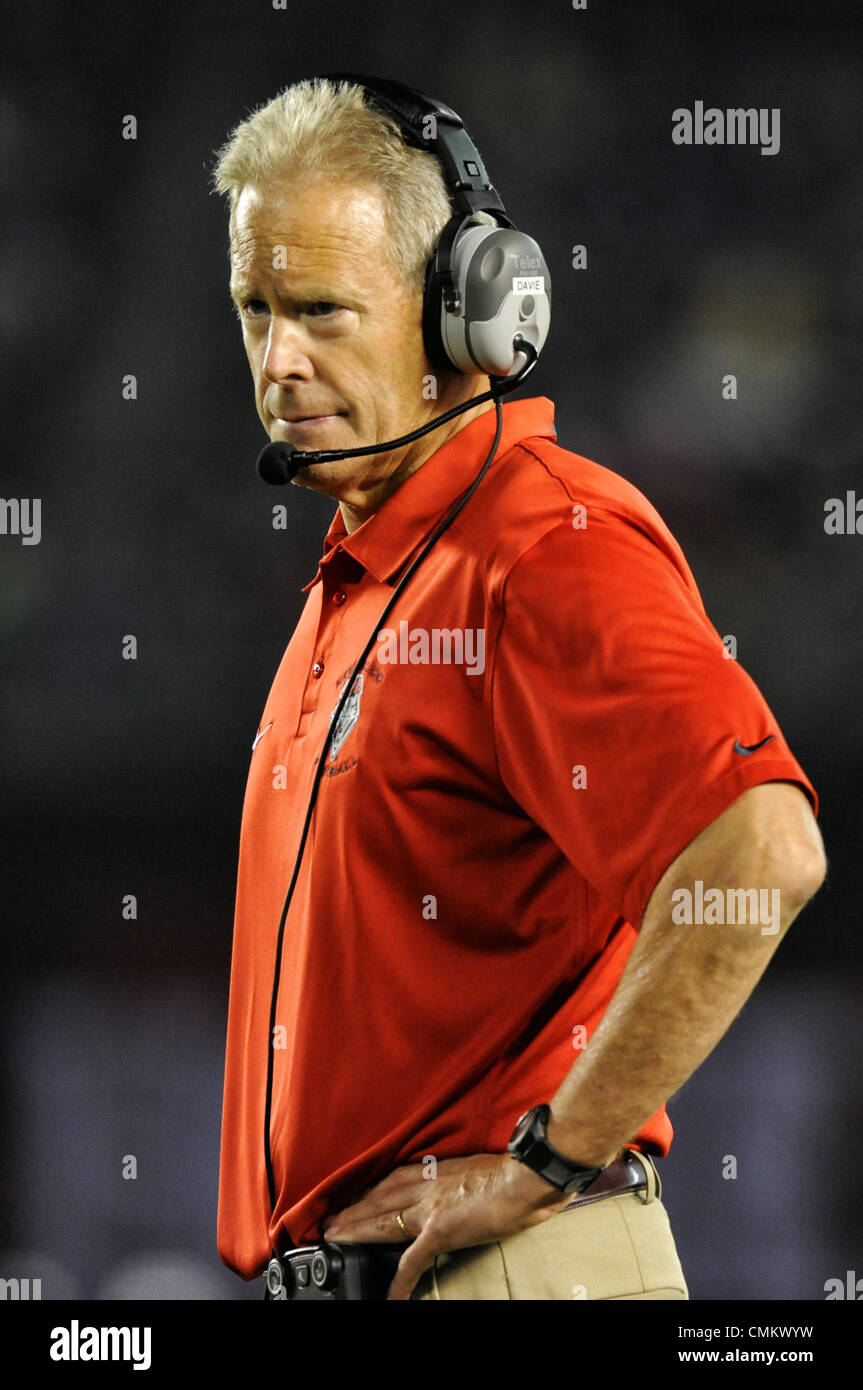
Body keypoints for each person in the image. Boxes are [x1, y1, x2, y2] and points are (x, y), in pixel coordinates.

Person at [212, 76, 826, 1301]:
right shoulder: (374, 566)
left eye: (324, 310)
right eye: (256, 308)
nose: (281, 361)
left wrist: (548, 1157)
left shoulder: (544, 546)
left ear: (468, 314)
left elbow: (761, 852)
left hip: (508, 1270)